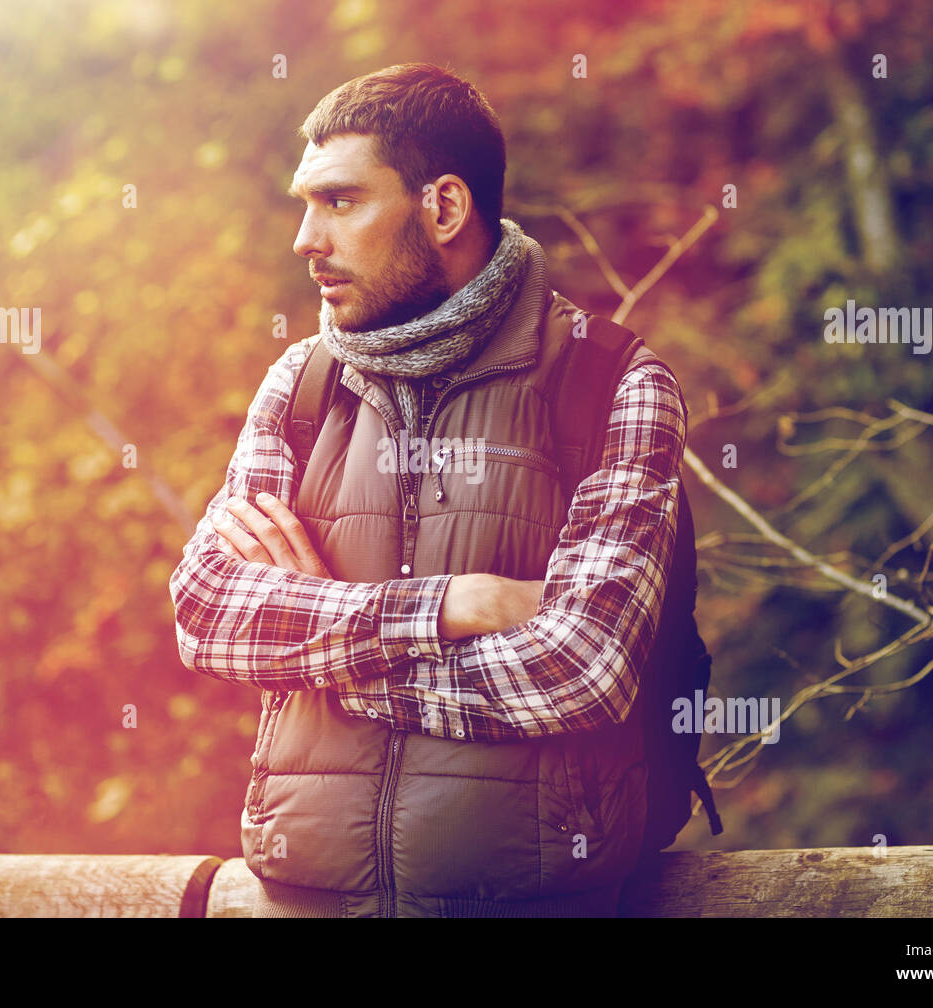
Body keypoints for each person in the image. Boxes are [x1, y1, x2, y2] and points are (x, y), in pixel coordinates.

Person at [169, 62, 687, 917]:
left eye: (339, 202)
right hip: (304, 899)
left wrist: (321, 640)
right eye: (305, 202)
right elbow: (208, 614)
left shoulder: (612, 384)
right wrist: (453, 606)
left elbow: (578, 672)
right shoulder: (301, 384)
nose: (304, 238)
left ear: (443, 207)